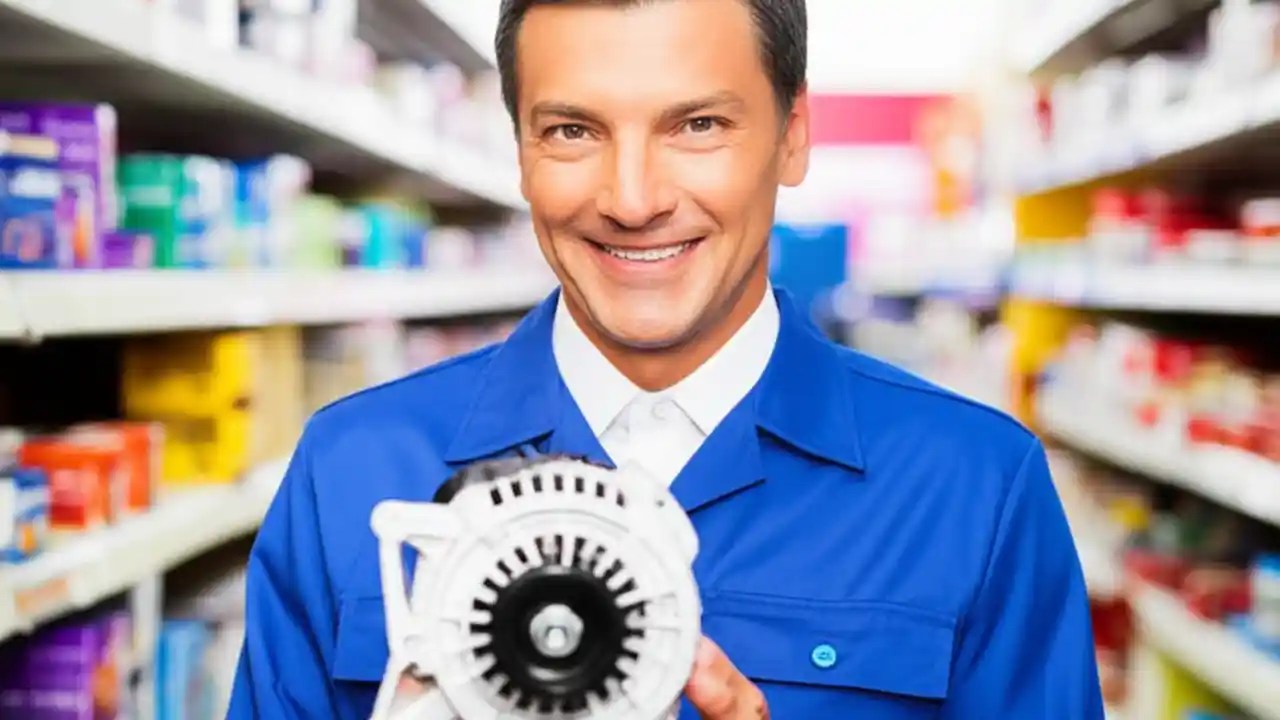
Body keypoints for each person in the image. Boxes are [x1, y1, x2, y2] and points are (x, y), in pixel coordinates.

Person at [228, 0, 1106, 717]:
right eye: (573, 130)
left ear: (793, 133)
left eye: (697, 124)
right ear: (521, 151)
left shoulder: (974, 486)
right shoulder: (352, 471)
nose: (634, 199)